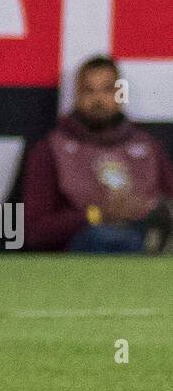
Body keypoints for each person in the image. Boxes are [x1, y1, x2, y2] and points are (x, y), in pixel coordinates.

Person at [22, 56, 173, 254]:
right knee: (109, 237)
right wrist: (97, 214)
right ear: (76, 95)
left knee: (148, 233)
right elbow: (33, 230)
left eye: (108, 89)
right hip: (86, 249)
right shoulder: (51, 149)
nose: (99, 100)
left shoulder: (148, 147)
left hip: (146, 233)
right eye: (89, 91)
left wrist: (151, 211)